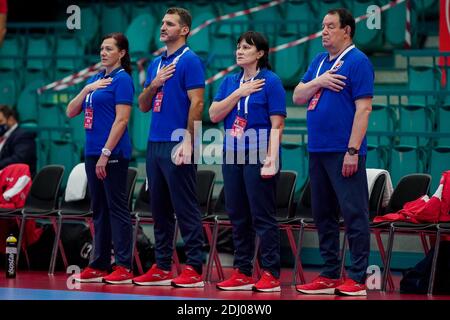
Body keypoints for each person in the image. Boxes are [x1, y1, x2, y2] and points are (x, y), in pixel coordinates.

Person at [293, 8, 373, 296]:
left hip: (344, 150)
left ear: (347, 30)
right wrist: (319, 81)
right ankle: (328, 274)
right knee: (323, 214)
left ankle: (357, 278)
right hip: (317, 150)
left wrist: (352, 150)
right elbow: (298, 95)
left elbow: (363, 109)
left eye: (330, 26)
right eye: (323, 26)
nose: (323, 31)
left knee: (354, 214)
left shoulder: (358, 61)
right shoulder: (318, 62)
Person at [132, 7, 206, 288]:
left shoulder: (190, 61)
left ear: (184, 30)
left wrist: (190, 139)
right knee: (159, 209)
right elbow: (142, 104)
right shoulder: (156, 64)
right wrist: (154, 84)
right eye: (162, 22)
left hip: (179, 141)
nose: (162, 27)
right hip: (155, 143)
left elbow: (198, 103)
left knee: (185, 207)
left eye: (170, 23)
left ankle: (194, 268)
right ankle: (162, 266)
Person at [209, 31, 286, 292]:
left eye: (246, 47)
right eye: (238, 47)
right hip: (232, 154)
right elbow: (214, 113)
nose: (239, 51)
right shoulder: (230, 81)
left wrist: (271, 159)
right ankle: (242, 271)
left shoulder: (271, 81)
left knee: (262, 217)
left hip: (259, 153)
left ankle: (271, 273)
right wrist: (239, 92)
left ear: (261, 53)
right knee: (238, 215)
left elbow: (277, 124)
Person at [66, 32, 134, 284]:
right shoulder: (96, 79)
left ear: (121, 53)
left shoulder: (123, 79)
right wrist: (86, 88)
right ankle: (99, 263)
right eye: (102, 48)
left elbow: (122, 120)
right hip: (92, 152)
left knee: (117, 208)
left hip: (112, 153)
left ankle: (124, 266)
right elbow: (71, 110)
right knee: (99, 210)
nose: (103, 52)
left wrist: (106, 153)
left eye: (109, 49)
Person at [0, 105, 37, 176]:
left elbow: (19, 159)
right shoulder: (3, 136)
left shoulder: (23, 135)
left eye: (0, 121)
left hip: (18, 181)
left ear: (10, 119)